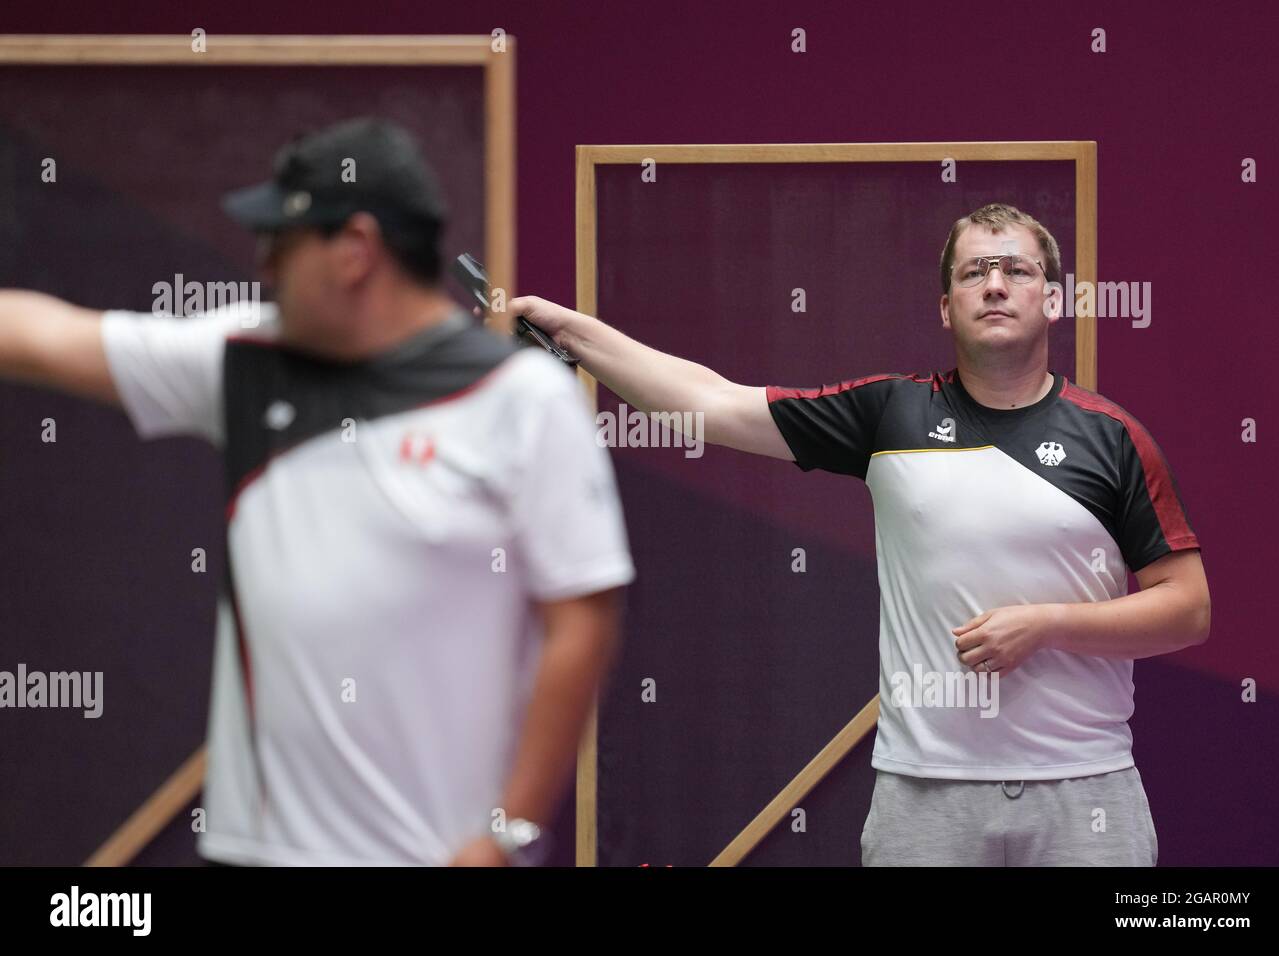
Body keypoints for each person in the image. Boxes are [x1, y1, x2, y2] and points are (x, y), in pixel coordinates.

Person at [0, 117, 636, 866]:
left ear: (355, 251)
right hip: (254, 854)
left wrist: (506, 835)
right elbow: (47, 336)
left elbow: (583, 620)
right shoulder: (242, 360)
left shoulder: (521, 399)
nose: (264, 263)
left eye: (281, 241)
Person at [503, 203, 1210, 866]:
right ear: (945, 307)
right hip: (923, 796)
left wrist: (1047, 626)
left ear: (1054, 300)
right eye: (973, 273)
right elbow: (709, 403)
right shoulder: (888, 416)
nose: (995, 286)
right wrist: (570, 332)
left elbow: (1187, 609)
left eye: (1017, 270)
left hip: (1087, 793)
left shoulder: (1114, 438)